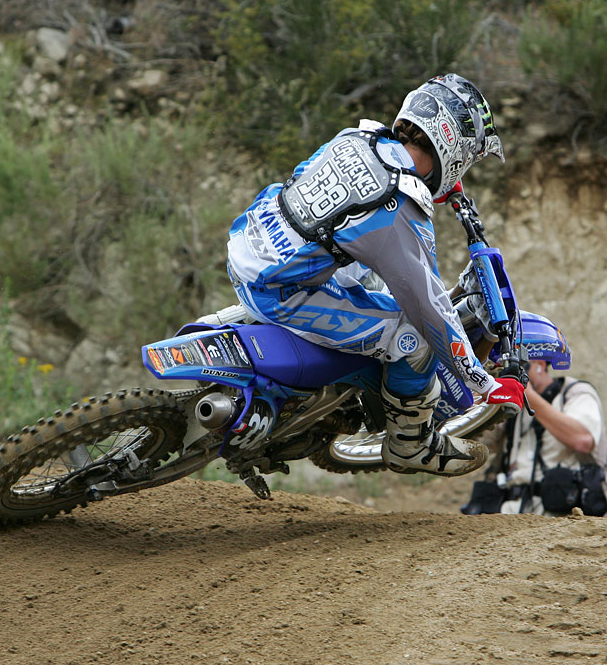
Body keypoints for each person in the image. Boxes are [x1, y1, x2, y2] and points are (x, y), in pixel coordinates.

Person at [221, 73, 525, 477]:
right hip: (280, 290)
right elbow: (430, 310)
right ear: (453, 148)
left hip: (248, 244)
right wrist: (485, 383)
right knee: (414, 337)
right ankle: (410, 444)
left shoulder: (358, 139)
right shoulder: (399, 209)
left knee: (369, 279)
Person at [462, 315, 607, 517]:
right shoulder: (512, 406)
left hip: (570, 512)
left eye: (519, 363)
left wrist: (525, 392)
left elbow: (583, 440)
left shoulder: (576, 393)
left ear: (540, 363)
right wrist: (477, 398)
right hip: (515, 512)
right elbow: (476, 440)